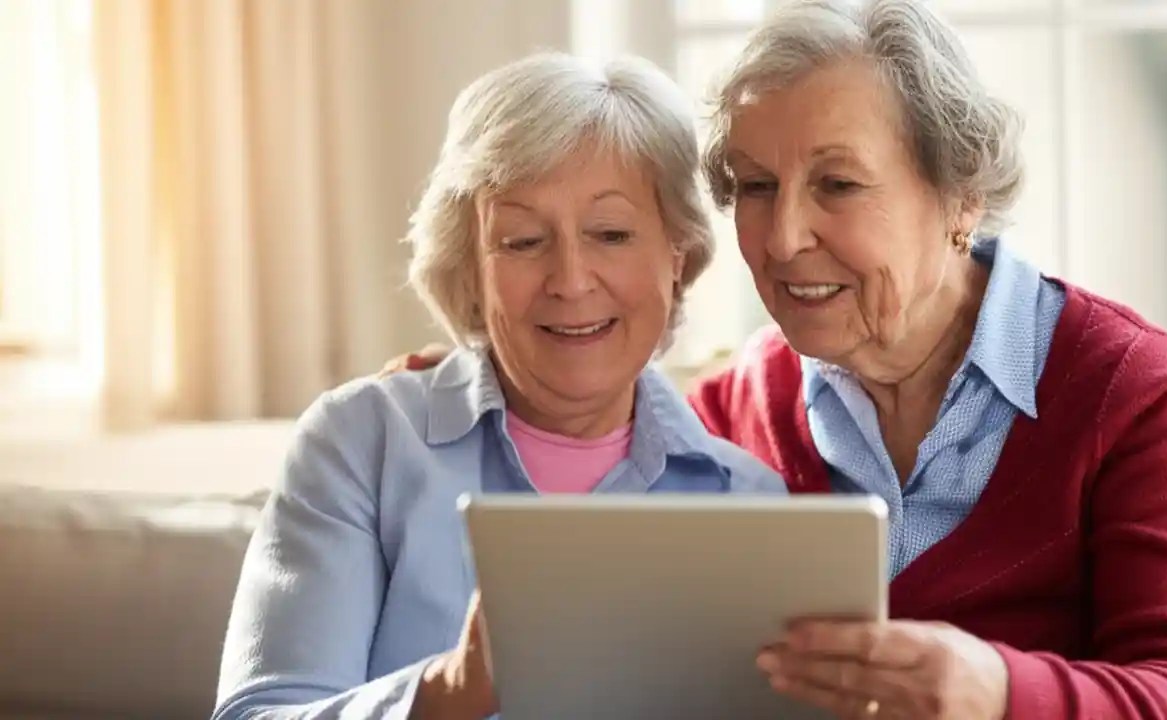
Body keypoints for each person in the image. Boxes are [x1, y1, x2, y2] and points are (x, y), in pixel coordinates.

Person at [387, 1, 1167, 718]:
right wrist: (487, 378)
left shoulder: (1129, 393)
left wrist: (1000, 691)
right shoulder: (739, 410)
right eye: (756, 188)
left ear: (960, 197)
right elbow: (602, 428)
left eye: (837, 185)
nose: (784, 237)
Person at [211, 52, 785, 720]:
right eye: (520, 241)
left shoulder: (745, 500)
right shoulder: (363, 443)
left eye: (611, 233)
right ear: (470, 269)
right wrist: (448, 691)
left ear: (676, 257)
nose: (570, 280)